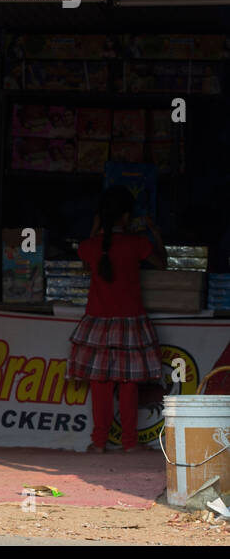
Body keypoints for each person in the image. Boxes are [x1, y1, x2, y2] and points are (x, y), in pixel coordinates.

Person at [70, 186, 167, 452]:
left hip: (97, 325)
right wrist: (154, 232)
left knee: (99, 383)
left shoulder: (89, 246)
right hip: (130, 323)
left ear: (100, 217)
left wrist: (95, 228)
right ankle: (129, 443)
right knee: (128, 385)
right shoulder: (137, 243)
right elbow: (163, 264)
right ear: (126, 216)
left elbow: (86, 263)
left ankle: (99, 442)